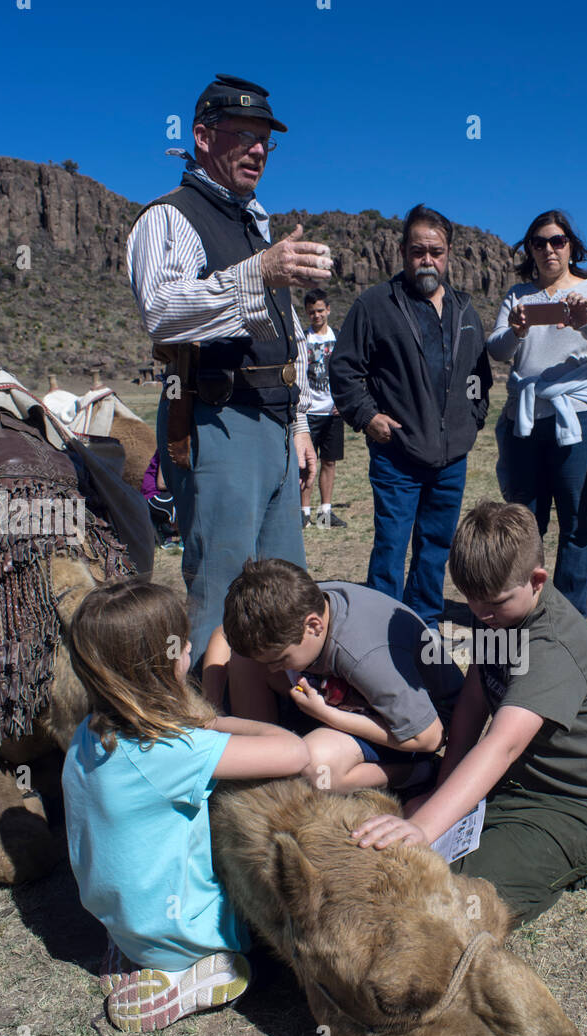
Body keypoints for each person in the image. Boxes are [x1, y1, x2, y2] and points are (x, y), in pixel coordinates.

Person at [351, 501, 587, 926]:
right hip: (520, 783)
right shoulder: (501, 617)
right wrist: (441, 788)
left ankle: (583, 853)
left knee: (451, 902)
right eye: (470, 601)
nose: (480, 614)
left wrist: (426, 828)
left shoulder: (550, 646)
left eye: (493, 603)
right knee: (407, 841)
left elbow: (502, 744)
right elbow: (474, 698)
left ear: (537, 580)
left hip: (585, 805)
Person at [127, 73, 334, 660]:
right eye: (243, 135)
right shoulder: (171, 217)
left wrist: (296, 429)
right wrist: (258, 273)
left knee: (284, 588)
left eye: (265, 138)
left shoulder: (256, 223)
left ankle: (275, 718)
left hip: (271, 425)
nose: (259, 149)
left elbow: (283, 335)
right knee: (222, 587)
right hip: (216, 421)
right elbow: (163, 312)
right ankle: (210, 727)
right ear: (201, 138)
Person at [62, 578, 312, 1032]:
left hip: (115, 917)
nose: (189, 651)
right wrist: (209, 721)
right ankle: (189, 973)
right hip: (184, 934)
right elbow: (294, 751)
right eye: (181, 647)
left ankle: (138, 948)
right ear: (167, 665)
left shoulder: (87, 733)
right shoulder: (175, 749)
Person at [329, 204, 492, 625]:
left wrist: (472, 419)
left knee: (436, 545)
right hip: (396, 454)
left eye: (435, 252)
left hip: (451, 457)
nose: (427, 260)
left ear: (449, 253)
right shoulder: (375, 304)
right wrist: (367, 417)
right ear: (402, 251)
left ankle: (424, 625)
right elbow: (344, 369)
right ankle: (380, 629)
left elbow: (480, 376)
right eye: (418, 251)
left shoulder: (464, 310)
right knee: (391, 544)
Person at [216, 558, 463, 793]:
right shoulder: (299, 605)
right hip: (356, 699)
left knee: (317, 768)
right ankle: (266, 768)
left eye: (280, 660)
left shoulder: (365, 656)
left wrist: (327, 715)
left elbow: (428, 737)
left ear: (313, 626)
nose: (272, 669)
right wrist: (212, 713)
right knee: (245, 660)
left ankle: (416, 774)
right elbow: (221, 636)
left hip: (415, 726)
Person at [489, 210, 587, 616]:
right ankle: (524, 610)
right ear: (529, 249)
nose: (549, 248)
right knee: (525, 520)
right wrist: (515, 330)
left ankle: (571, 618)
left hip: (577, 417)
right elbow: (497, 351)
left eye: (557, 240)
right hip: (527, 417)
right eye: (539, 242)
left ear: (571, 246)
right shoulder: (517, 295)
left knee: (575, 520)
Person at [300, 289, 346, 529]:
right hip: (308, 411)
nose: (316, 316)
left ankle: (325, 514)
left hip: (332, 411)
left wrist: (342, 401)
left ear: (328, 309)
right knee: (307, 464)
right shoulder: (302, 339)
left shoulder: (338, 337)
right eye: (311, 312)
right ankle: (304, 514)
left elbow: (346, 372)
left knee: (329, 462)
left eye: (320, 310)